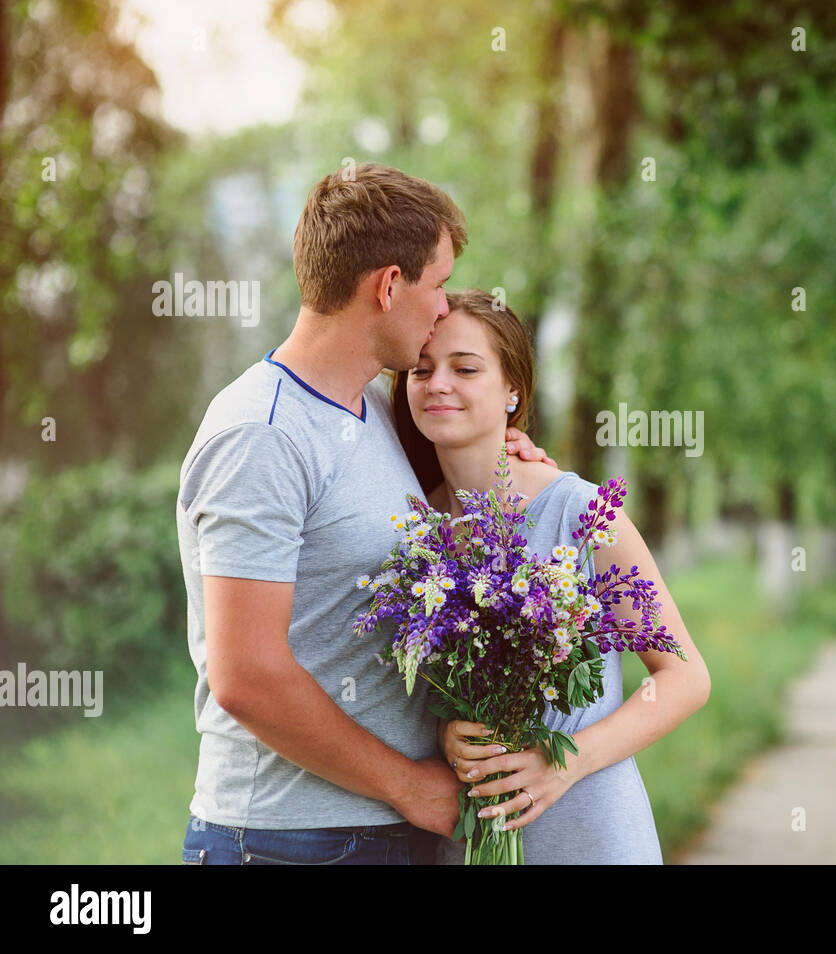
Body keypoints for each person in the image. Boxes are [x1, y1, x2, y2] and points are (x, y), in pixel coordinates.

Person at [176, 164, 555, 865]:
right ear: (387, 286)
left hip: (383, 834)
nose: (444, 308)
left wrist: (501, 445)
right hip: (289, 842)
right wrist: (411, 788)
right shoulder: (261, 434)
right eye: (437, 285)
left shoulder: (373, 410)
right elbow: (245, 676)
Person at [389, 288, 710, 864]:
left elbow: (685, 676)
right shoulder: (417, 534)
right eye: (421, 369)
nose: (438, 383)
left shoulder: (581, 511)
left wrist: (565, 760)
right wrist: (446, 736)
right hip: (470, 837)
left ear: (513, 389)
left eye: (465, 368)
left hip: (591, 833)